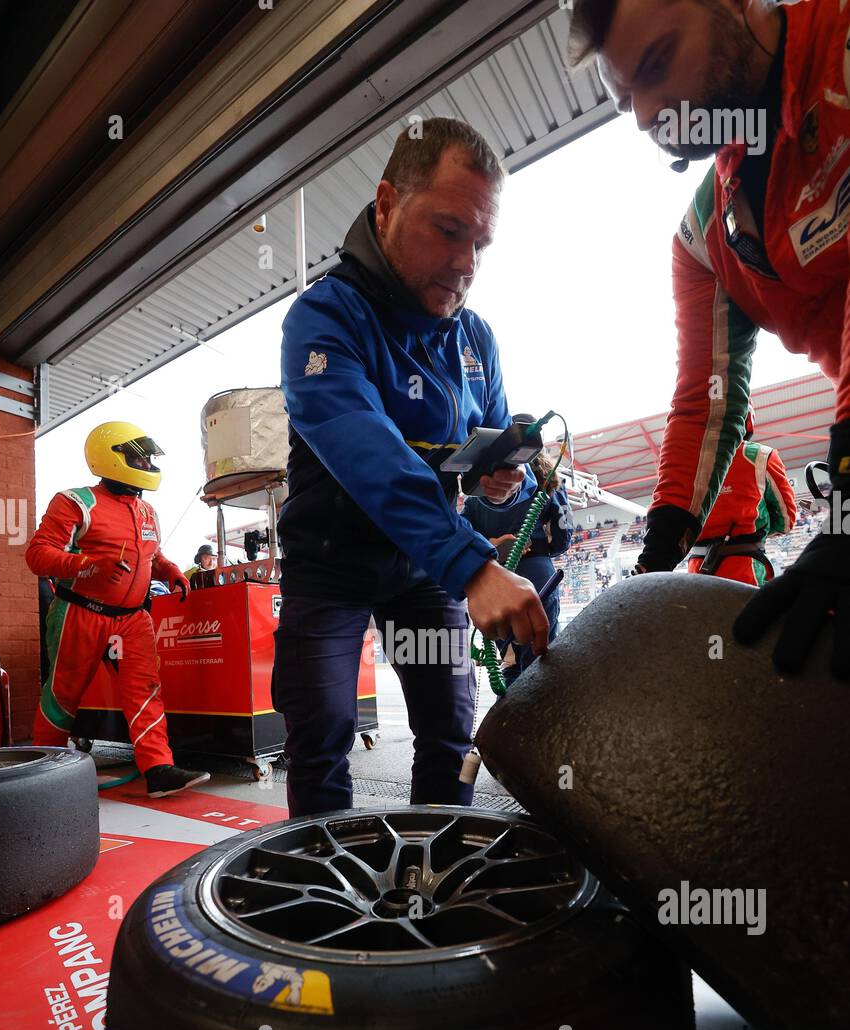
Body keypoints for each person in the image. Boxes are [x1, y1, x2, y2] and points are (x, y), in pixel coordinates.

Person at [569, 0, 850, 677]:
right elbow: (707, 403)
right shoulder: (703, 237)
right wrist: (654, 562)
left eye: (658, 63)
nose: (643, 115)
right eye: (626, 94)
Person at [276, 117, 548, 816]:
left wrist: (498, 479)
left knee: (450, 735)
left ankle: (441, 887)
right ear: (389, 203)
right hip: (330, 563)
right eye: (449, 230)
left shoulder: (477, 338)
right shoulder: (321, 318)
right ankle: (317, 906)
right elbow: (363, 445)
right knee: (324, 732)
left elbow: (491, 454)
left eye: (481, 244)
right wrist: (474, 566)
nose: (466, 263)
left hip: (424, 567)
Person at [25, 420, 210, 797]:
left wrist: (169, 569)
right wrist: (87, 564)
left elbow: (150, 555)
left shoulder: (147, 512)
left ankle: (158, 769)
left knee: (145, 692)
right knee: (63, 695)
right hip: (80, 612)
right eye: (138, 458)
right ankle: (43, 772)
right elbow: (38, 555)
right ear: (110, 459)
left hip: (132, 619)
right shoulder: (75, 501)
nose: (147, 465)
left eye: (147, 459)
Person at [462, 434, 573, 684]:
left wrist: (492, 545)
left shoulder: (479, 490)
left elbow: (464, 533)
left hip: (496, 581)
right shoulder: (551, 483)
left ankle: (511, 718)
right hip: (539, 577)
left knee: (510, 664)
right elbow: (563, 539)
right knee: (541, 663)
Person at [685, 425, 796, 582]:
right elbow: (785, 522)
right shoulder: (762, 455)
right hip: (746, 571)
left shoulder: (683, 465)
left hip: (697, 573)